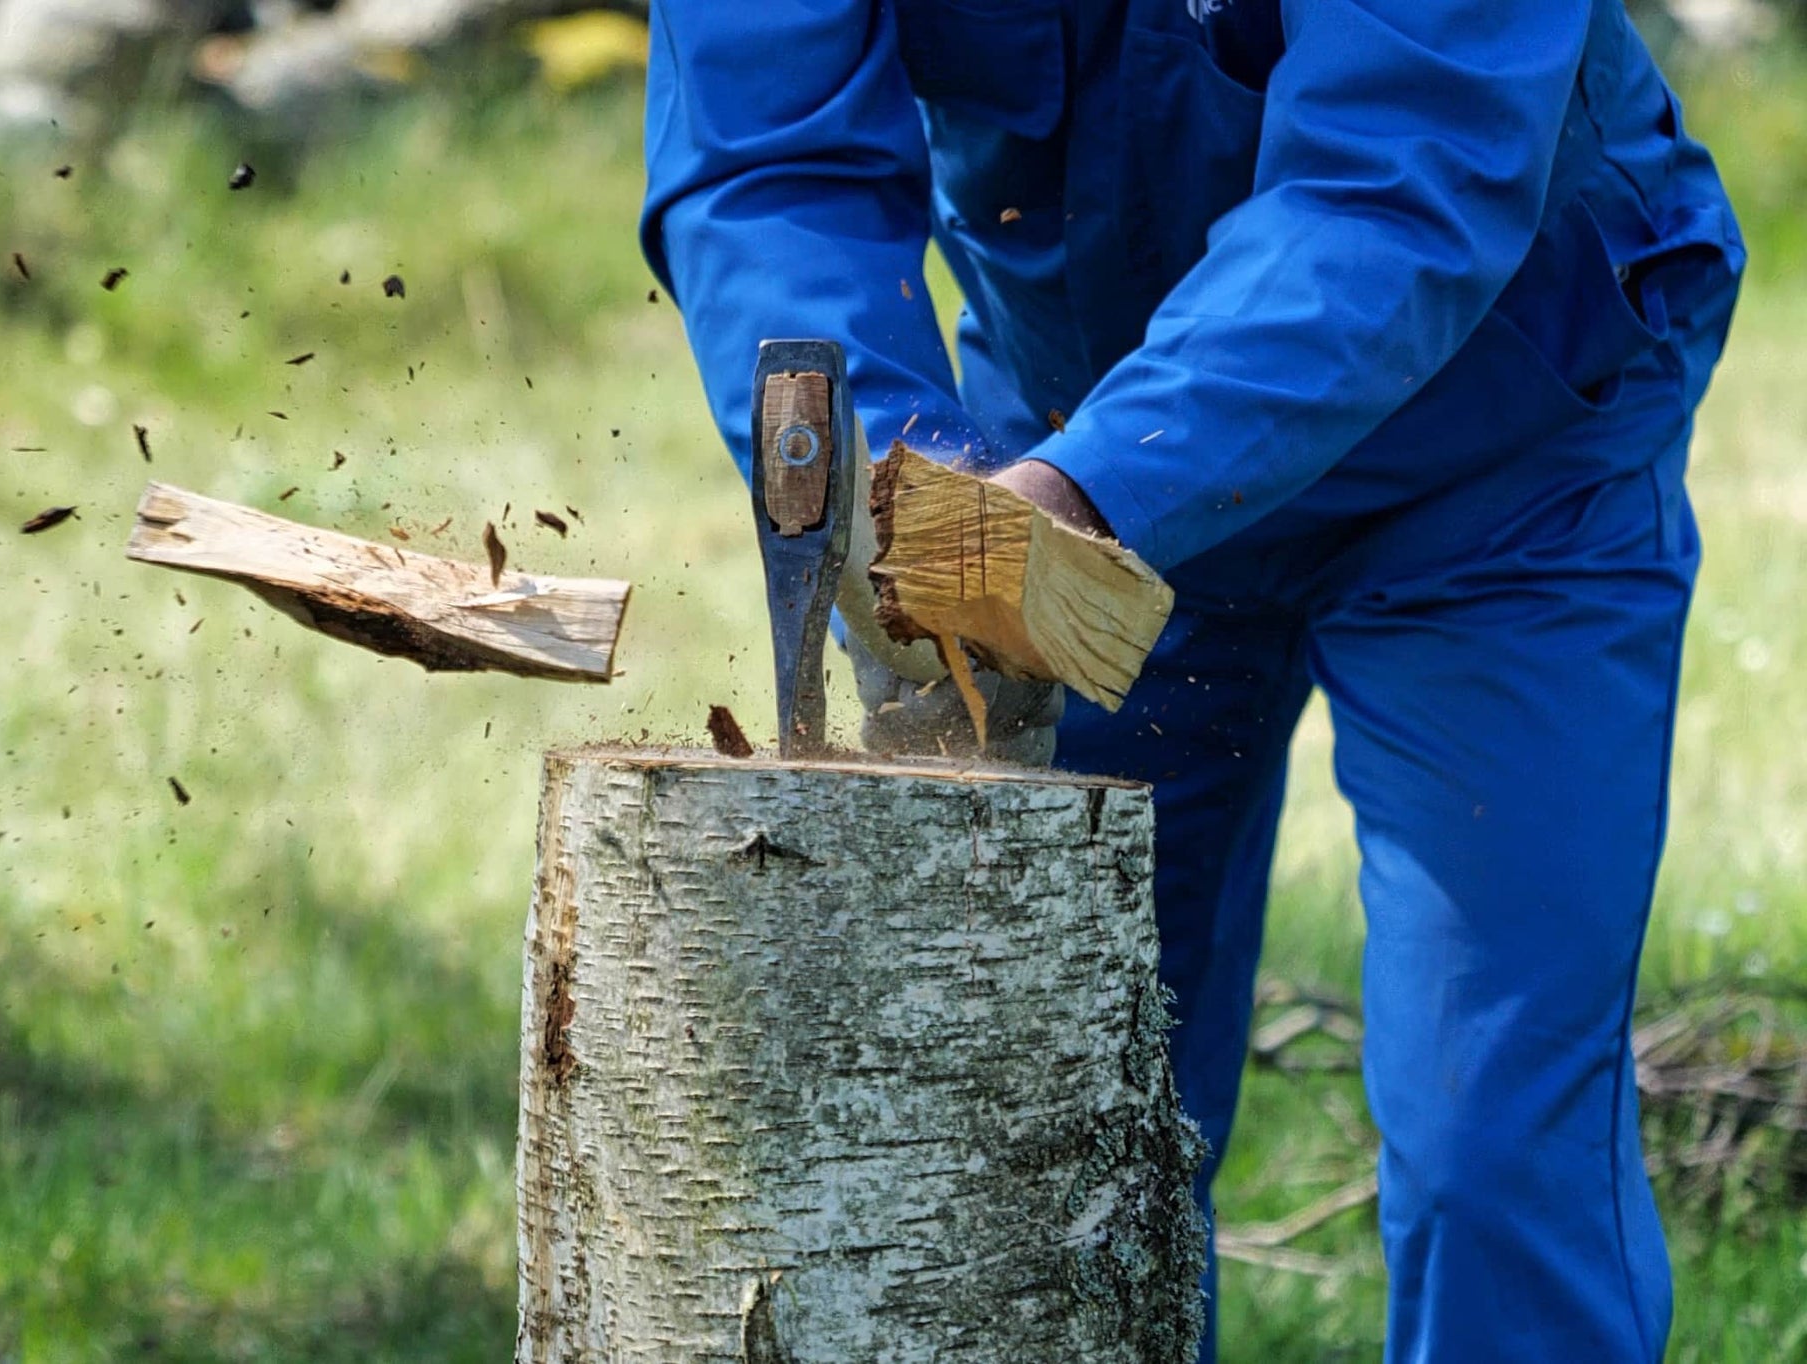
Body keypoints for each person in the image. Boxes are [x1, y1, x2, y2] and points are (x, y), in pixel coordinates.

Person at [639, 2, 1743, 1359]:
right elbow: (764, 161)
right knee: (1064, 1137)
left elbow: (1407, 170)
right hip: (1063, 429)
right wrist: (905, 488)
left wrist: (1079, 501)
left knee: (1493, 1140)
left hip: (1503, 449)